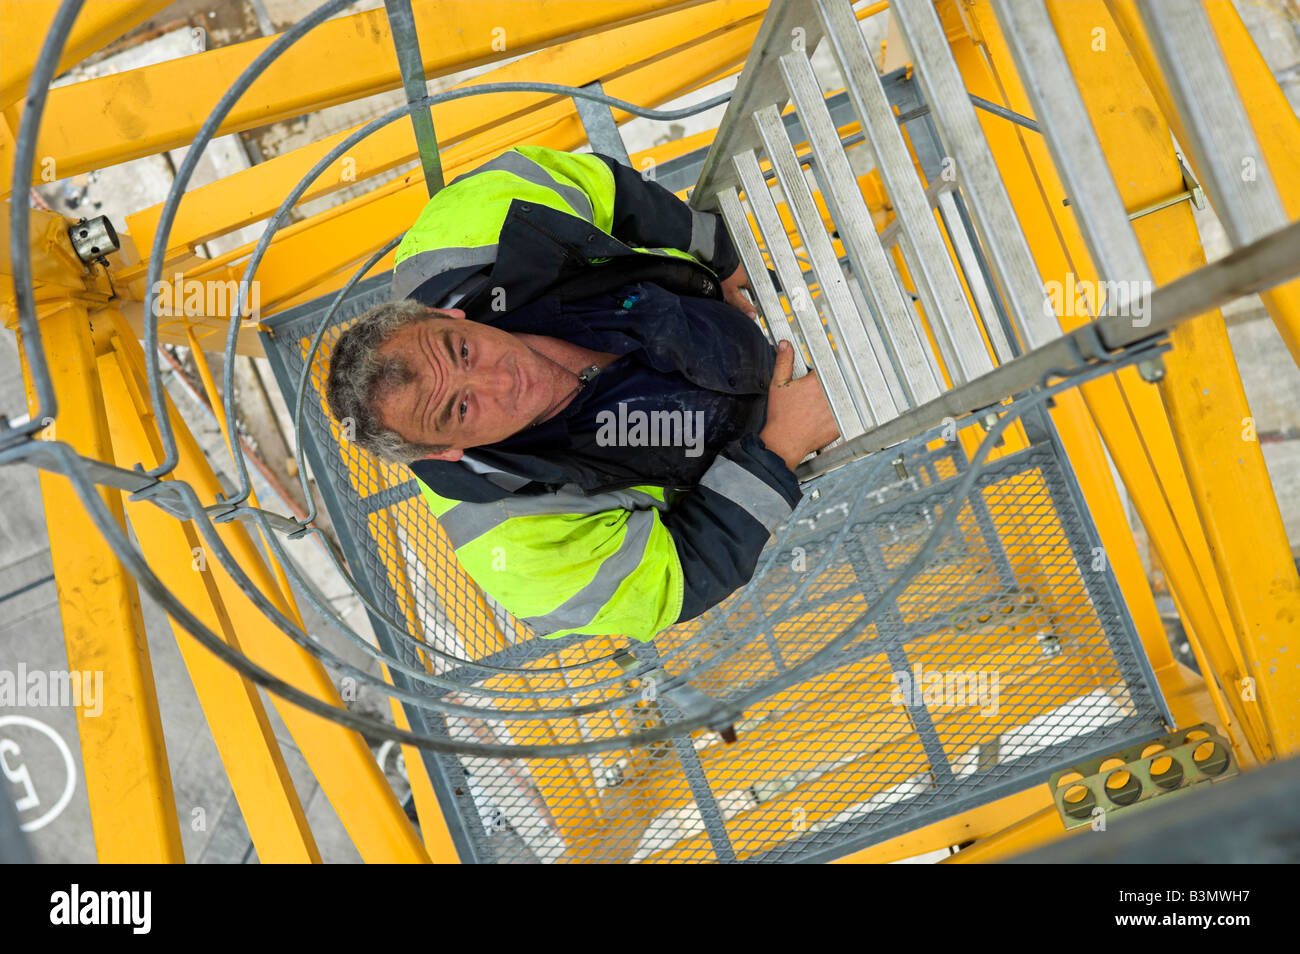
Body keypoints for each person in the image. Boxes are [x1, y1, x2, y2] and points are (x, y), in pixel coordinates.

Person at [326, 144, 838, 642]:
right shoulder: (521, 557)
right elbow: (679, 578)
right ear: (444, 452)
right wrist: (778, 449)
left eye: (462, 351)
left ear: (444, 315)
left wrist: (720, 256)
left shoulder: (467, 226)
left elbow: (609, 192)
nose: (502, 380)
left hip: (740, 299)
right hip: (797, 422)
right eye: (460, 408)